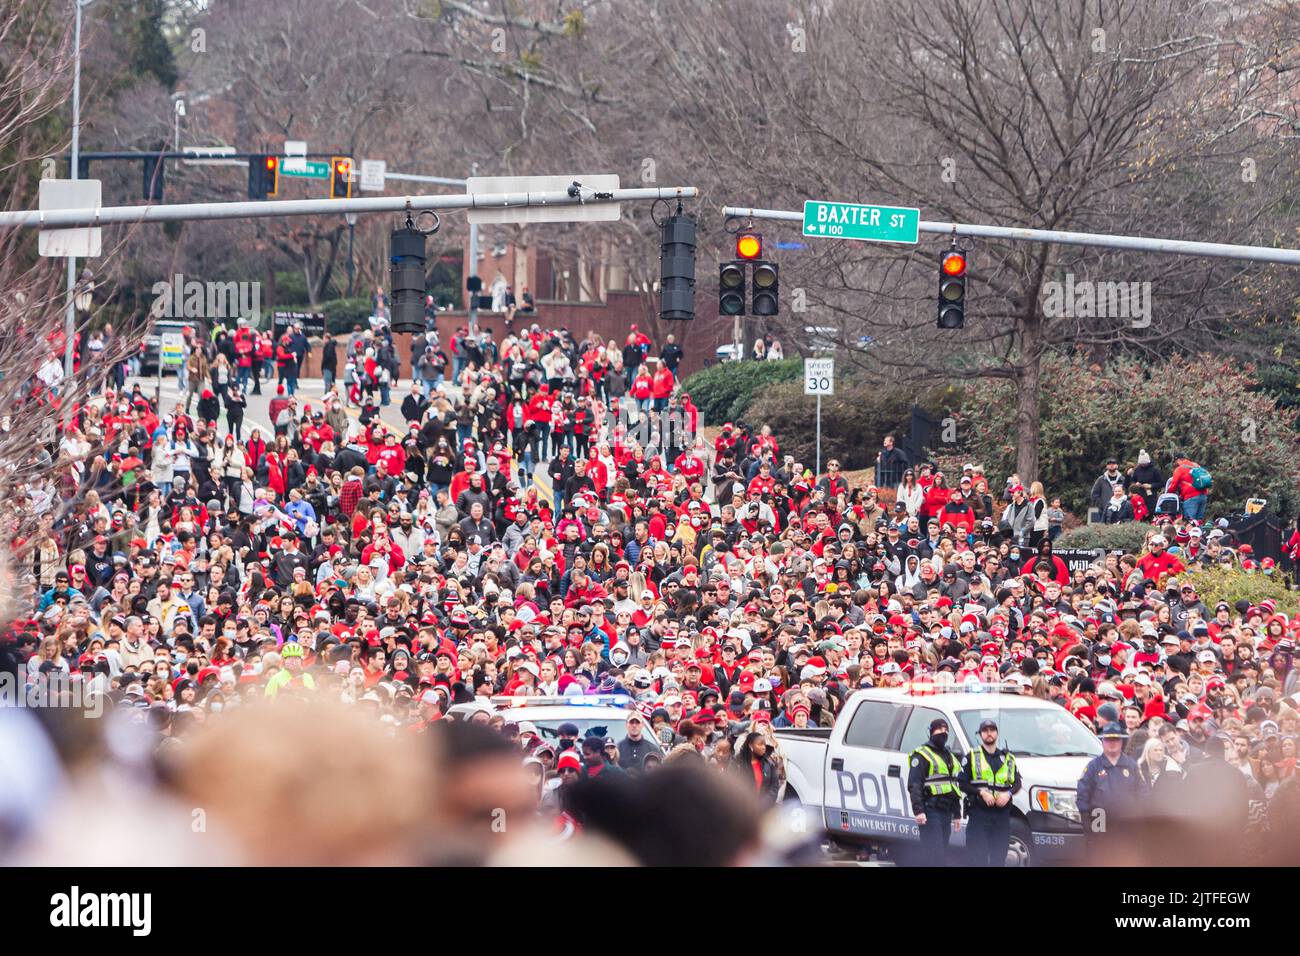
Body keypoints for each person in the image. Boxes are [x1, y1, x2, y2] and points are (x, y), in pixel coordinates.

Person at [1075, 722, 1143, 862]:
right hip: (1100, 821)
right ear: (1102, 741)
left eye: (1115, 739)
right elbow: (1082, 794)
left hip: (1127, 823)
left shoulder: (1131, 766)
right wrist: (1087, 821)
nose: (1112, 743)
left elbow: (1142, 793)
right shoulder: (1093, 766)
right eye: (1108, 740)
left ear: (1121, 741)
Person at [958, 718, 1021, 866]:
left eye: (992, 730)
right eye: (985, 731)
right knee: (977, 858)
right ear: (980, 735)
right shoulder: (972, 756)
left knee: (999, 858)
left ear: (997, 733)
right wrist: (981, 793)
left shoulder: (1008, 758)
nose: (989, 733)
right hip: (979, 815)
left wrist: (1008, 794)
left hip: (1001, 816)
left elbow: (1018, 783)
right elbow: (961, 783)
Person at [907, 717, 963, 865]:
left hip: (946, 812)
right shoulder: (922, 754)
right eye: (939, 730)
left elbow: (953, 786)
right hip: (930, 811)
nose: (943, 733)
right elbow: (914, 784)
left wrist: (957, 814)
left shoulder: (950, 756)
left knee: (942, 853)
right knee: (933, 853)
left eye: (946, 731)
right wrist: (918, 811)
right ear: (931, 732)